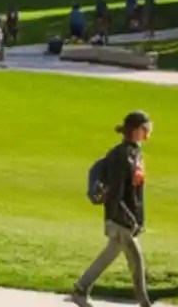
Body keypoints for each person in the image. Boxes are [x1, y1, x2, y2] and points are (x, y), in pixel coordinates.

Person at [71, 111, 154, 307]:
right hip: (120, 218)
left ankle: (81, 289)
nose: (148, 132)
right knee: (136, 262)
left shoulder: (135, 153)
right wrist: (130, 219)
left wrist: (139, 219)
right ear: (135, 130)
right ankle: (144, 303)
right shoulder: (122, 155)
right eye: (145, 128)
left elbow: (135, 192)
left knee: (110, 254)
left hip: (125, 217)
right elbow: (117, 192)